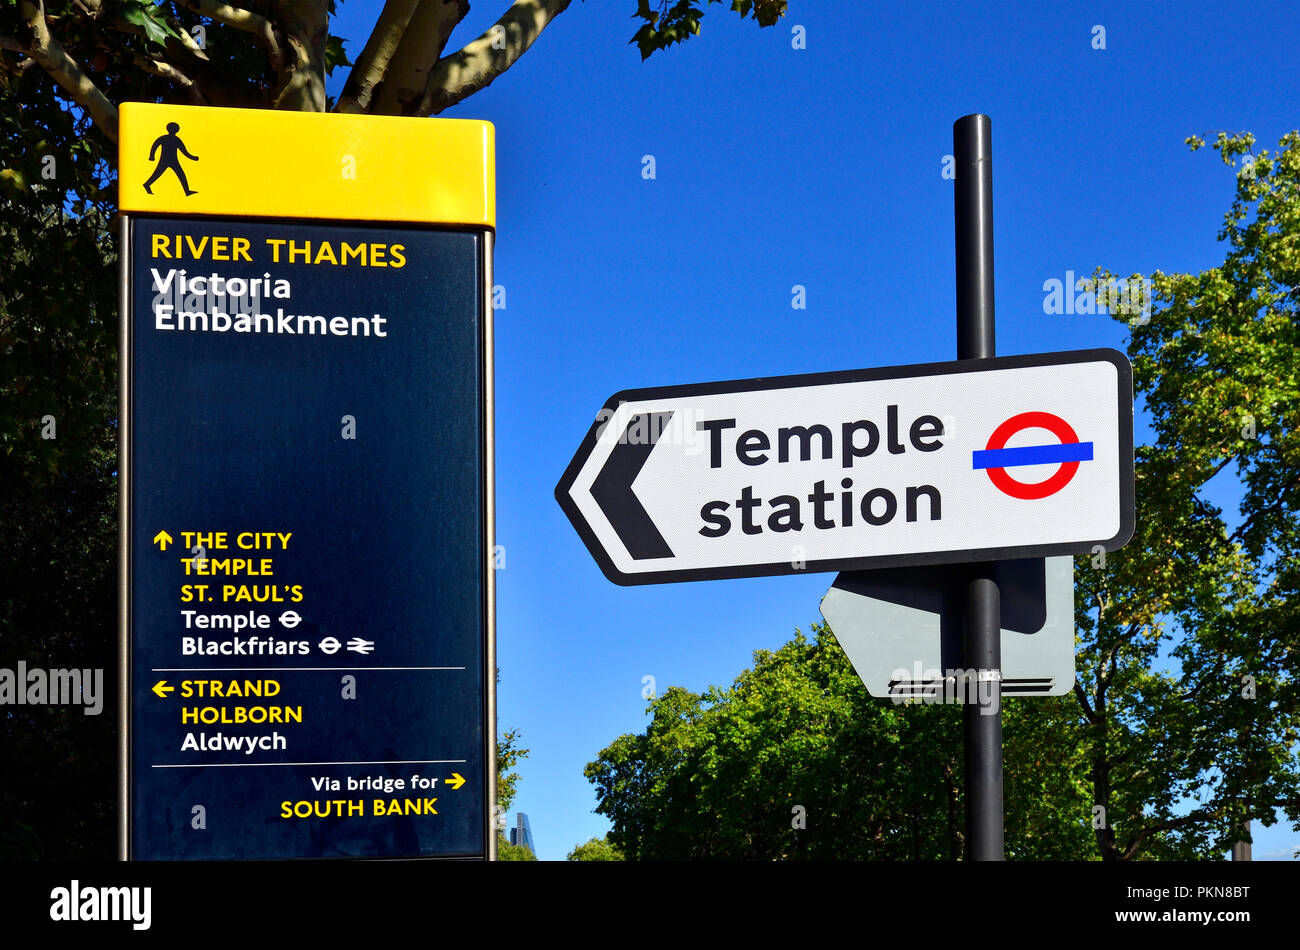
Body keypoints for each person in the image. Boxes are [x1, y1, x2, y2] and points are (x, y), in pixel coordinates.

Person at [143, 122, 199, 196]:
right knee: (157, 174)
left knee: (181, 174)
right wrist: (152, 156)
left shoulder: (176, 139)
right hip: (165, 160)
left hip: (173, 161)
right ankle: (147, 184)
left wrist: (193, 157)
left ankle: (187, 191)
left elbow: (184, 151)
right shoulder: (165, 138)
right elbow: (155, 145)